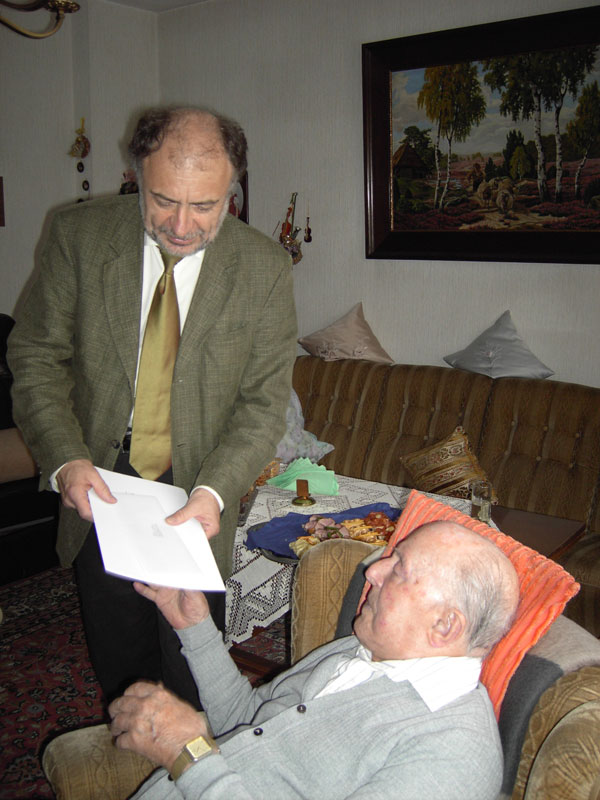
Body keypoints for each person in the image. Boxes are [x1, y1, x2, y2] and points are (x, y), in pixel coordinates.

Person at [7, 106, 297, 709]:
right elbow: (36, 355)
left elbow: (263, 404)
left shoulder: (264, 268)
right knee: (121, 667)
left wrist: (216, 492)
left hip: (197, 490)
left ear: (232, 190)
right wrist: (64, 462)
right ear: (138, 173)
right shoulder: (79, 237)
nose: (183, 225)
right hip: (100, 484)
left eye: (206, 206)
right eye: (165, 200)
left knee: (196, 671)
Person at [109, 521, 520, 800]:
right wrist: (196, 628)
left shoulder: (453, 755)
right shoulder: (361, 650)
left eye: (400, 569)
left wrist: (190, 754)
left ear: (445, 625)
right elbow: (248, 717)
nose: (374, 571)